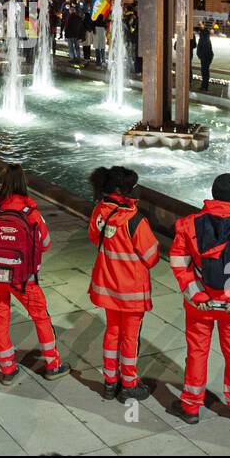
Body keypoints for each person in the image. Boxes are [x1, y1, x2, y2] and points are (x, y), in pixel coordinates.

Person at [168, 173, 230, 424]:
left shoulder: (189, 225)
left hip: (200, 304)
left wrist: (195, 293)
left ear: (212, 194)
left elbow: (180, 263)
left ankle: (191, 405)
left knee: (197, 351)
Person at [0, 163, 69, 384]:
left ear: (2, 184)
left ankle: (7, 369)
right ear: (23, 184)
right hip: (23, 278)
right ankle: (52, 365)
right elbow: (45, 243)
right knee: (41, 318)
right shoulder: (31, 212)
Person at [87, 165, 159, 400]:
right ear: (124, 190)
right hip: (130, 291)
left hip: (108, 286)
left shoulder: (100, 211)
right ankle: (129, 383)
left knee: (111, 333)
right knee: (129, 338)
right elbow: (151, 257)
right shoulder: (135, 220)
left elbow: (93, 236)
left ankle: (110, 382)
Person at [193, 24, 213, 91]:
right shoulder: (205, 36)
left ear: (199, 32)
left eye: (197, 32)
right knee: (205, 71)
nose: (197, 34)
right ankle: (204, 86)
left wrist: (200, 55)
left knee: (204, 72)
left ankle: (204, 86)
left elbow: (202, 49)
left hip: (205, 57)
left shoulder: (203, 38)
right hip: (207, 56)